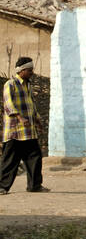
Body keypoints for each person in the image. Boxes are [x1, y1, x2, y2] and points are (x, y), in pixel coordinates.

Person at [0, 57, 49, 194]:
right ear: (21, 71)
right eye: (29, 70)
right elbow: (8, 104)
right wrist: (20, 118)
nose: (32, 72)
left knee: (35, 157)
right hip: (14, 130)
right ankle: (2, 187)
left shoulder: (28, 85)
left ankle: (34, 186)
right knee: (10, 160)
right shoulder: (10, 84)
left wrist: (37, 120)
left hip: (28, 131)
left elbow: (31, 105)